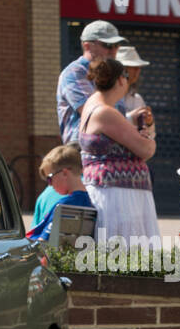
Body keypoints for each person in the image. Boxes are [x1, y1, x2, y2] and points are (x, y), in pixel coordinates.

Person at [79, 57, 159, 242]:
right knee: (126, 259)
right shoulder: (105, 112)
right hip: (118, 198)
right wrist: (146, 138)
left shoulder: (93, 106)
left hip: (115, 193)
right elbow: (145, 149)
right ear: (121, 80)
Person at [57, 20, 128, 144]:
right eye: (107, 45)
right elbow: (94, 113)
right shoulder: (75, 72)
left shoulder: (114, 74)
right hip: (81, 151)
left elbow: (117, 115)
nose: (114, 50)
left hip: (110, 149)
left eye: (117, 44)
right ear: (87, 46)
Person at [26, 145, 92, 242]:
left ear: (65, 173)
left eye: (49, 178)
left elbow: (43, 241)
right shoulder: (88, 200)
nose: (50, 185)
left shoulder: (65, 206)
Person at [116, 46, 154, 130]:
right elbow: (107, 123)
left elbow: (150, 134)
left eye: (139, 67)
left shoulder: (137, 99)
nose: (138, 71)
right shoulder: (108, 96)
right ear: (122, 69)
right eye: (133, 67)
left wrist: (149, 123)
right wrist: (130, 117)